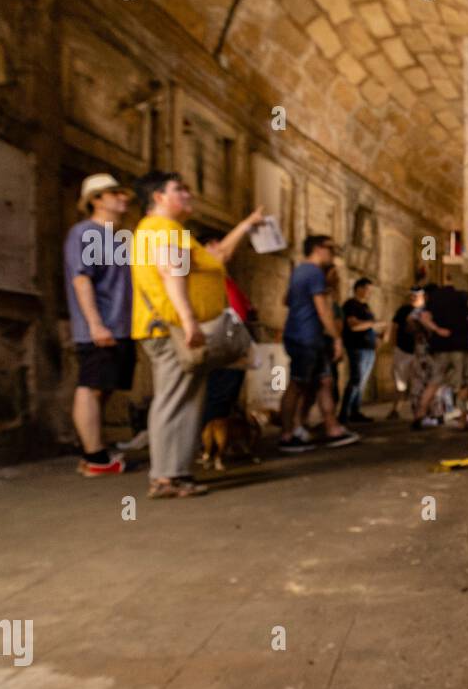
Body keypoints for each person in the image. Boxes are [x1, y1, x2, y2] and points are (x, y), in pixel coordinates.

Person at [130, 171, 227, 498]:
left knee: (182, 399)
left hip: (169, 326)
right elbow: (172, 273)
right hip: (170, 327)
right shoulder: (163, 229)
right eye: (179, 190)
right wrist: (189, 321)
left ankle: (176, 474)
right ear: (158, 197)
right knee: (173, 399)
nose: (188, 194)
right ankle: (166, 477)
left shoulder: (161, 229)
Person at [64, 173, 135, 476]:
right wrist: (95, 324)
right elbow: (81, 279)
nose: (123, 198)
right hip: (101, 326)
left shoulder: (119, 236)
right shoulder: (85, 233)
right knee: (91, 386)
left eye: (122, 192)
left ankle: (93, 450)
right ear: (95, 200)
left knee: (104, 387)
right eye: (113, 193)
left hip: (122, 326)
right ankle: (95, 459)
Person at [278, 236, 358, 452]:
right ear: (317, 249)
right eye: (330, 249)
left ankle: (332, 429)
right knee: (297, 385)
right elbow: (323, 310)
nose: (333, 254)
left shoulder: (299, 271)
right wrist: (337, 338)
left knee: (324, 381)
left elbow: (285, 299)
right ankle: (287, 435)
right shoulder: (313, 272)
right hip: (306, 336)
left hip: (306, 335)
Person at [196, 215, 263, 426]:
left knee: (230, 389)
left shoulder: (222, 275)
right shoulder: (204, 269)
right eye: (213, 245)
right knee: (221, 390)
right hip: (221, 337)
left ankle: (220, 440)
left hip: (235, 337)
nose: (221, 248)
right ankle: (209, 442)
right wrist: (246, 224)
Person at [414, 283, 468, 430]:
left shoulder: (433, 300)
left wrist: (438, 330)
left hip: (441, 347)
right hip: (461, 345)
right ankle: (462, 420)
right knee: (462, 384)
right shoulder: (461, 297)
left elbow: (423, 318)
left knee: (434, 382)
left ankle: (419, 415)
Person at [340, 277, 386, 424]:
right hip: (357, 347)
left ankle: (355, 411)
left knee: (362, 381)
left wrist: (379, 334)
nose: (369, 293)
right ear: (358, 288)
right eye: (367, 289)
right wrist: (373, 324)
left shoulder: (366, 307)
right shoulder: (351, 305)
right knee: (356, 379)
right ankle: (344, 413)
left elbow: (368, 327)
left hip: (368, 348)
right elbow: (353, 325)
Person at [386, 286, 423, 420]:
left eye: (417, 295)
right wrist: (393, 345)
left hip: (419, 352)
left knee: (417, 382)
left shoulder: (424, 311)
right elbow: (394, 328)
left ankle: (417, 410)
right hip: (403, 350)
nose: (414, 298)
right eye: (412, 295)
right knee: (400, 383)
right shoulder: (403, 311)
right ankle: (396, 409)